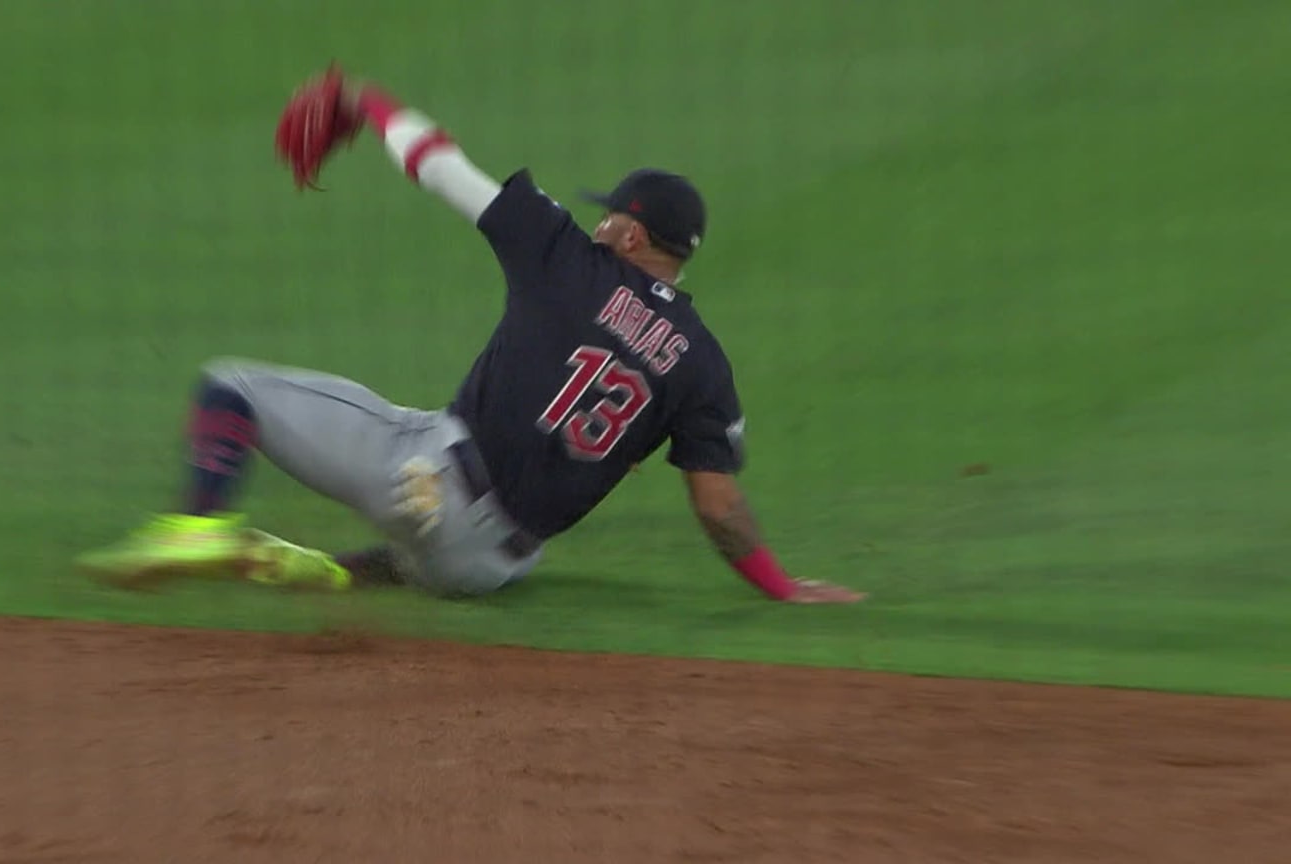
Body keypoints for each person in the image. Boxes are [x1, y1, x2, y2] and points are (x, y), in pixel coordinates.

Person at [76, 67, 865, 605]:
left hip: (426, 484)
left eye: (610, 214)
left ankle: (195, 530)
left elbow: (442, 166)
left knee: (231, 388)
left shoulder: (568, 260)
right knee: (431, 538)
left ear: (631, 233)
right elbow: (719, 506)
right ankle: (325, 571)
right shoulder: (703, 363)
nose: (598, 222)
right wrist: (781, 585)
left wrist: (366, 102)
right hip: (488, 569)